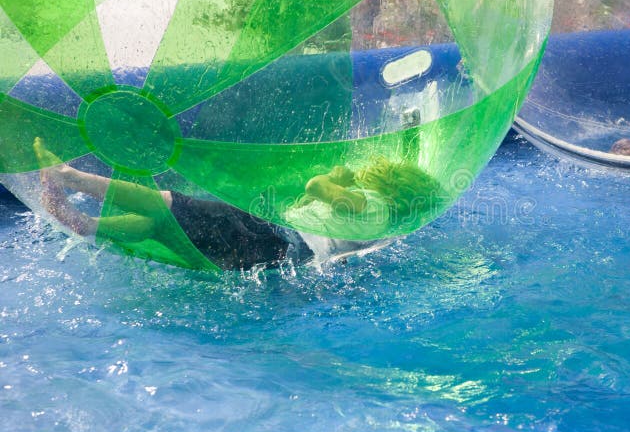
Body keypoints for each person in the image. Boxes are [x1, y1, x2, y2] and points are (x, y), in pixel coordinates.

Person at [33, 138, 444, 270]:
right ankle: (81, 221)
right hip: (277, 256)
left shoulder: (368, 203)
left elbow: (318, 186)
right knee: (163, 227)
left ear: (389, 180)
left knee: (168, 205)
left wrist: (332, 181)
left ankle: (71, 179)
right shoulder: (387, 228)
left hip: (273, 235)